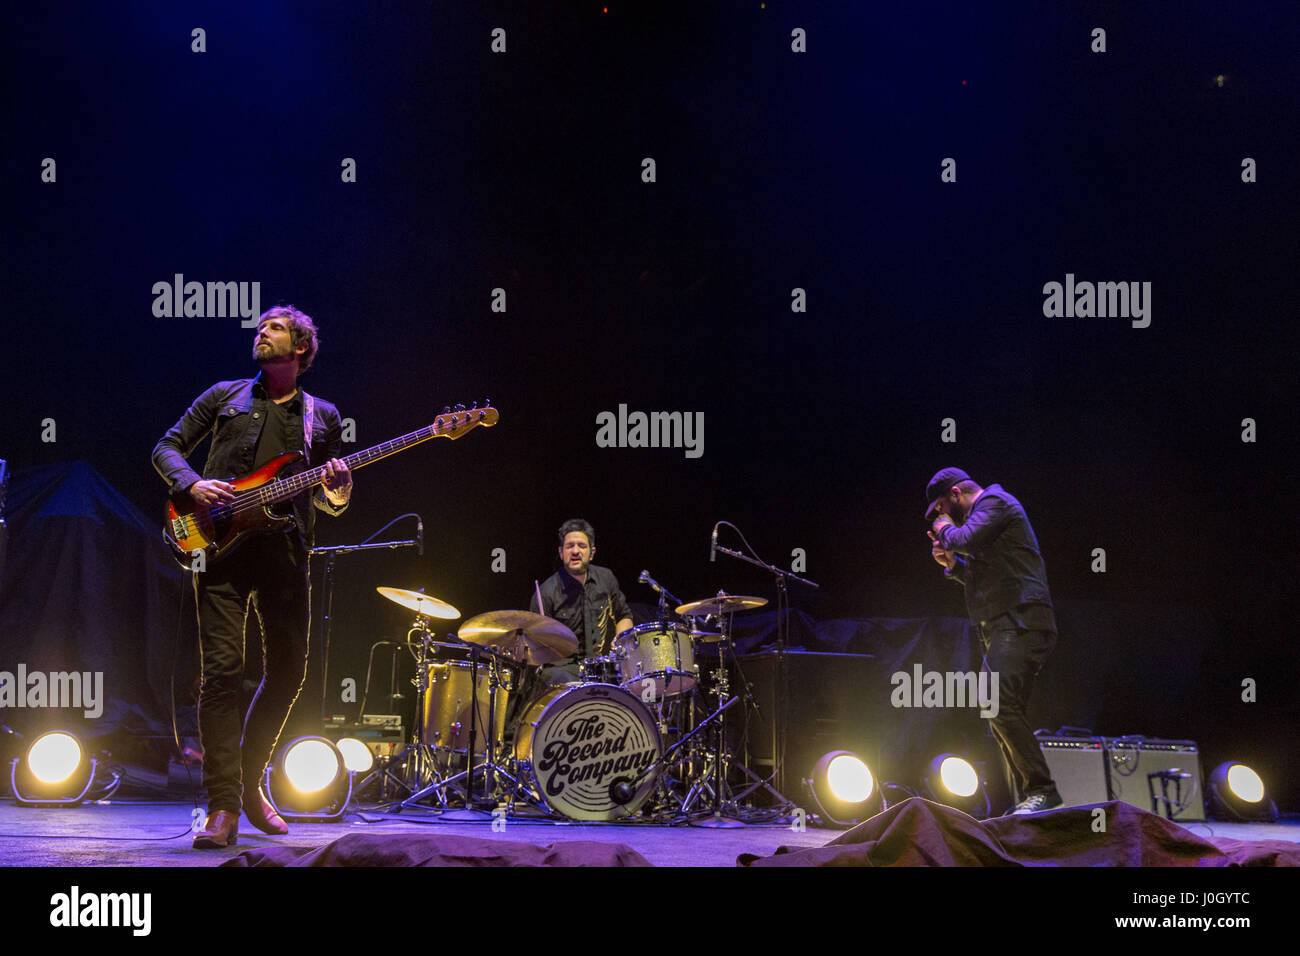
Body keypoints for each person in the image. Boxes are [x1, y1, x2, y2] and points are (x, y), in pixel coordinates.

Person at [153, 305, 352, 848]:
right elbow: (165, 447)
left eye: (275, 328)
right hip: (219, 549)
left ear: (301, 349)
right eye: (260, 327)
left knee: (288, 672)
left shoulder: (323, 415)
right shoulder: (225, 395)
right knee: (222, 673)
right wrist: (192, 484)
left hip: (287, 555)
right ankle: (222, 809)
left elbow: (331, 502)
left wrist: (339, 486)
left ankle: (246, 782)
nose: (261, 333)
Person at [925, 467, 1063, 814]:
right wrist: (953, 566)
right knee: (998, 708)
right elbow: (984, 575)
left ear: (956, 494)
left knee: (996, 702)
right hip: (1007, 625)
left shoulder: (995, 502)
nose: (941, 518)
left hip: (1023, 622)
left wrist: (945, 529)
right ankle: (1033, 800)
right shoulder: (987, 521)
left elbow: (966, 538)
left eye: (942, 508)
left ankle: (1042, 791)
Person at [528, 519, 634, 685]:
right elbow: (536, 648)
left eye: (581, 546)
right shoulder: (545, 593)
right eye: (570, 546)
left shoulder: (606, 578)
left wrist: (621, 640)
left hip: (601, 666)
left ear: (592, 553)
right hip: (563, 669)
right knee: (560, 678)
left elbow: (624, 615)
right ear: (561, 552)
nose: (575, 551)